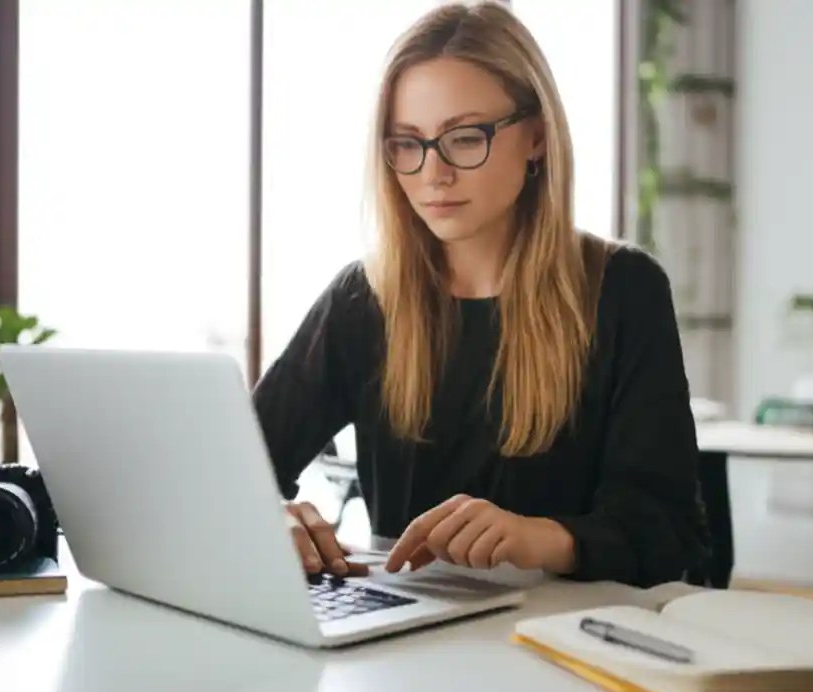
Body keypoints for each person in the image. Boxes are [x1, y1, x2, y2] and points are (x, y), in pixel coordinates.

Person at [252, 1, 706, 589]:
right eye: (408, 144)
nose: (433, 173)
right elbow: (240, 469)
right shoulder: (365, 299)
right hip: (400, 639)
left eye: (465, 139)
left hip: (566, 637)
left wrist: (537, 539)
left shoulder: (622, 290)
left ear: (537, 138)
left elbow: (669, 531)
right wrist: (268, 519)